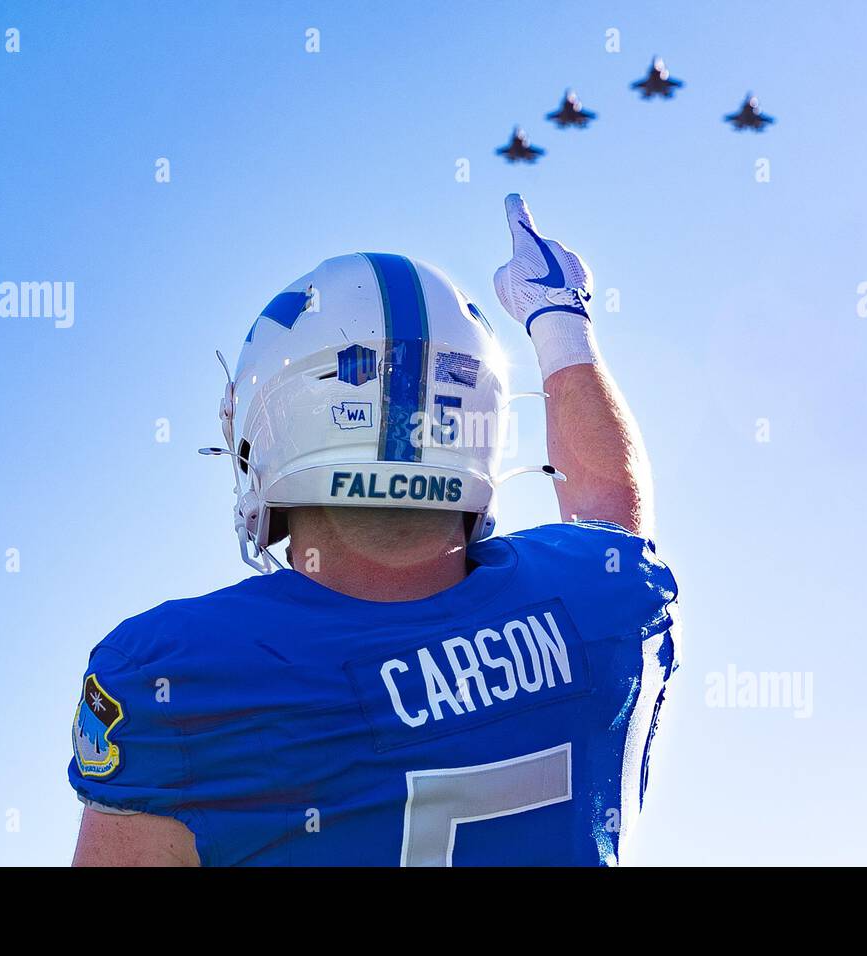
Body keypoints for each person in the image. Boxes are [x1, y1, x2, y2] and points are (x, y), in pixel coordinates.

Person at [69, 194, 679, 866]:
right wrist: (559, 318)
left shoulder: (180, 670)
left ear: (271, 426)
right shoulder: (601, 599)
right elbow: (611, 510)